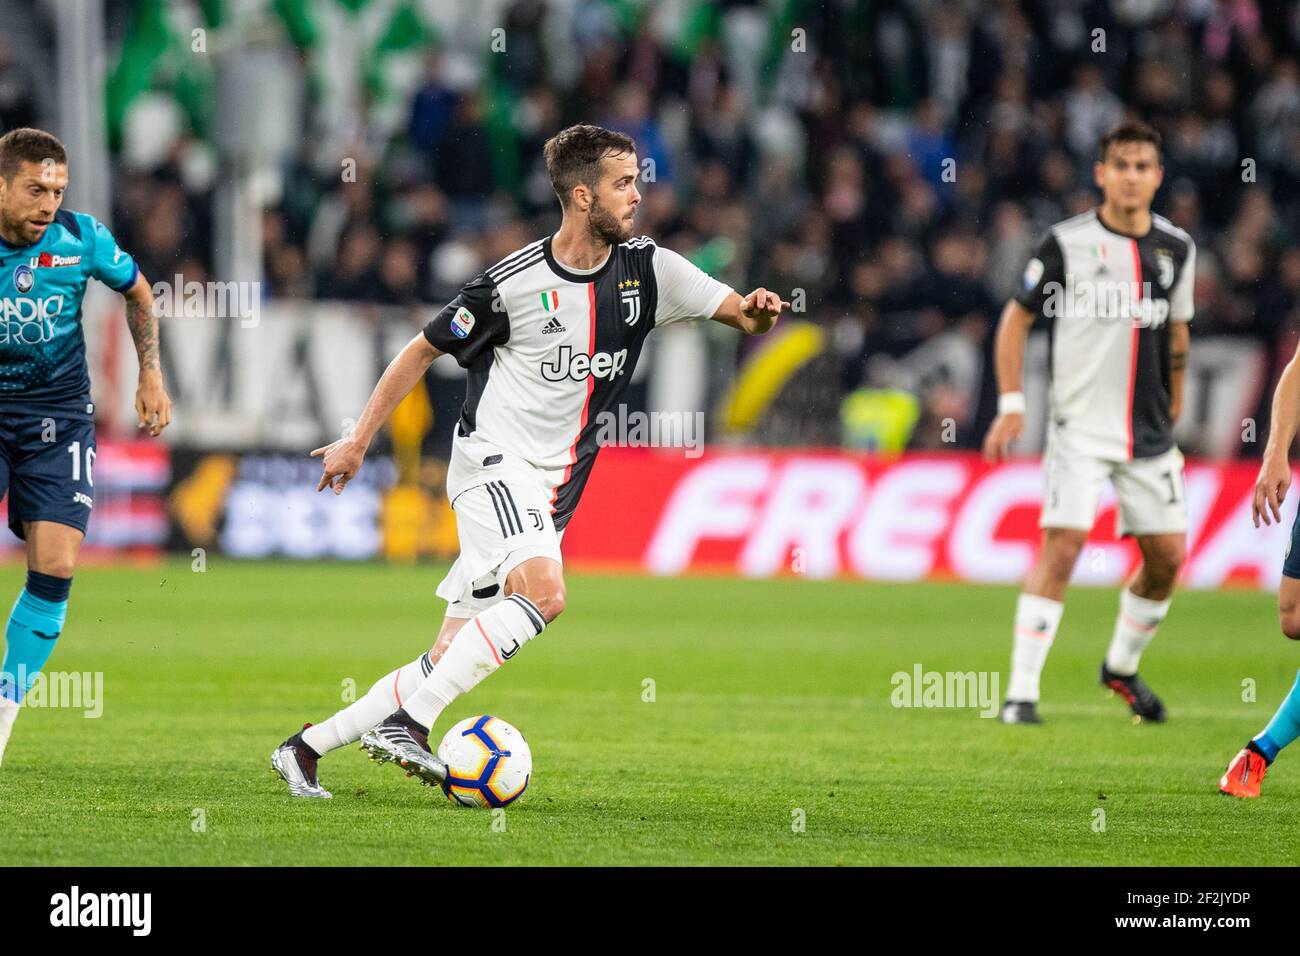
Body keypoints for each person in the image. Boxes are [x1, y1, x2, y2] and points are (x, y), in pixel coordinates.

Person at [271, 124, 786, 797]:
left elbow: (741, 316)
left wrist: (759, 311)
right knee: (545, 595)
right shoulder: (511, 284)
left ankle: (305, 748)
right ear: (581, 195)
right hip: (492, 463)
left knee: (447, 653)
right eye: (623, 184)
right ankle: (410, 725)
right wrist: (359, 439)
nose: (637, 195)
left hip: (553, 490)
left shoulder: (651, 271)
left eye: (637, 181)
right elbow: (421, 349)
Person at [982, 120, 1195, 725]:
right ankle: (1020, 694)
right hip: (1078, 425)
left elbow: (1178, 329)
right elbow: (1016, 318)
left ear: (1157, 176)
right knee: (1065, 544)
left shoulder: (1177, 249)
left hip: (1148, 432)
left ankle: (1120, 668)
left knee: (1167, 559)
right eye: (1120, 165)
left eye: (1142, 166)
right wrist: (1012, 403)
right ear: (1101, 174)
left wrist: (1176, 397)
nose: (1131, 176)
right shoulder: (1064, 243)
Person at [0, 128, 172, 765]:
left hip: (57, 418)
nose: (48, 203)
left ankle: (4, 713)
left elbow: (138, 290)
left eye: (57, 190)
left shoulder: (82, 238)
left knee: (58, 566)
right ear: (0, 185)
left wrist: (149, 374)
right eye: (35, 189)